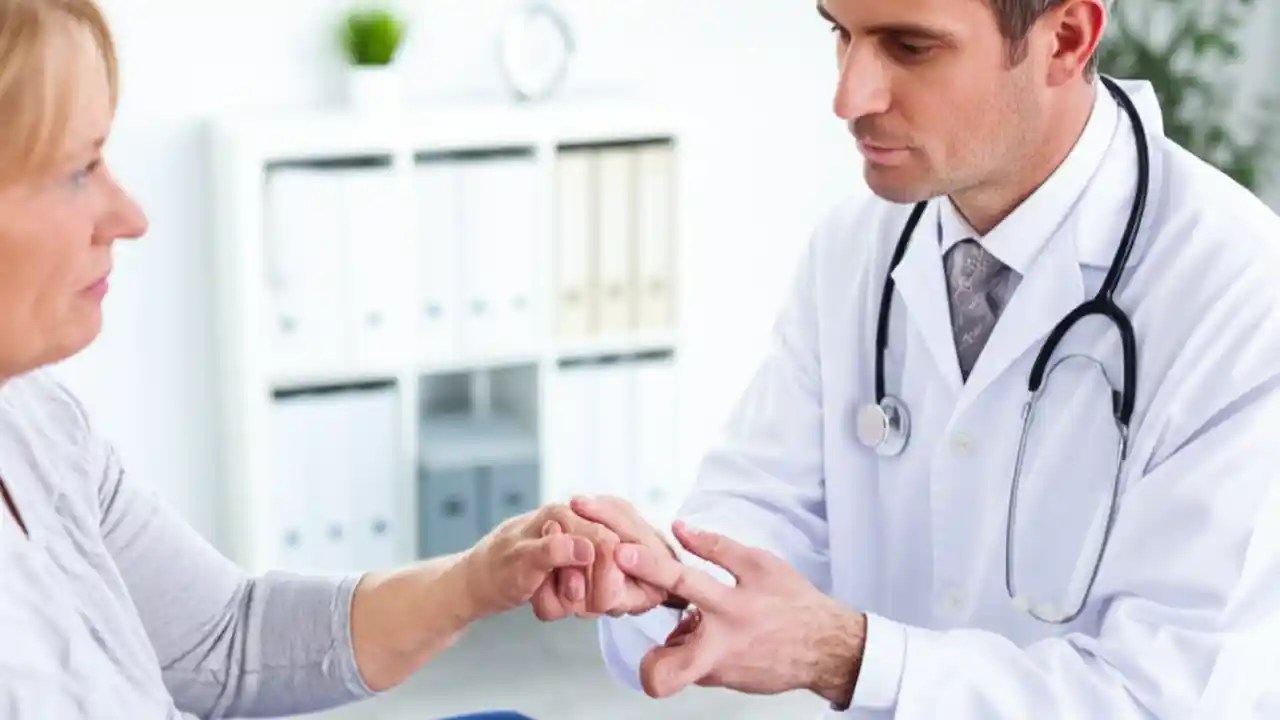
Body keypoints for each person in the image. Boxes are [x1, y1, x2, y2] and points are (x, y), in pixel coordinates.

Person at [538, 0, 1280, 717]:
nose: (848, 95)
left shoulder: (1237, 289)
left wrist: (849, 656)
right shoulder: (858, 245)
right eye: (841, 33)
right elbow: (763, 511)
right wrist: (659, 579)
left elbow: (1167, 697)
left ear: (1065, 39)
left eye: (910, 47)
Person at [0, 1, 621, 717]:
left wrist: (479, 578)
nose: (130, 216)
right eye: (79, 170)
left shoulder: (37, 418)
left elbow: (225, 640)